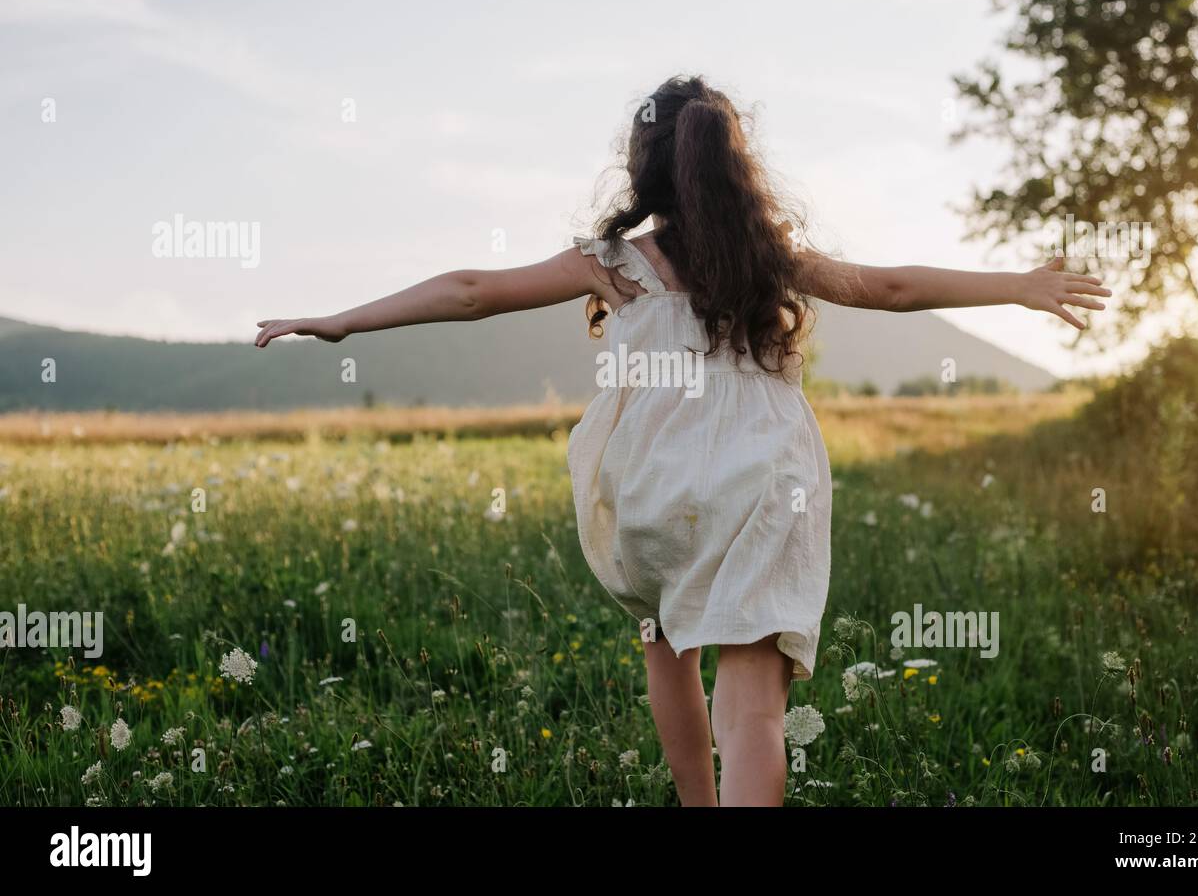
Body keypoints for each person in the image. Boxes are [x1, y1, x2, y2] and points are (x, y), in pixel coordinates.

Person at [254, 74, 1109, 806]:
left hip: (651, 480)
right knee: (755, 706)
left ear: (645, 170)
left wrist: (343, 322)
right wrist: (1018, 286)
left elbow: (474, 289)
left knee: (666, 637)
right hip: (760, 477)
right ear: (732, 168)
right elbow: (885, 286)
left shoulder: (614, 262)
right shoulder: (768, 256)